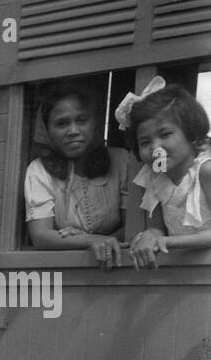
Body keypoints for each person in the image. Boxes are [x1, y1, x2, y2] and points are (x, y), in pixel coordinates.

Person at [23, 82, 129, 268]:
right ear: (47, 129)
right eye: (62, 123)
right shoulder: (39, 170)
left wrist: (104, 243)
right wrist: (90, 241)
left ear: (95, 123)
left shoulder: (120, 160)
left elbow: (132, 226)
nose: (73, 131)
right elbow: (41, 236)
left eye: (82, 120)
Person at [118, 79, 211, 267]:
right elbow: (157, 228)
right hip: (183, 275)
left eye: (165, 134)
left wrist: (169, 242)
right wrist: (150, 236)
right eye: (145, 142)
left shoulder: (205, 171)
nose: (155, 147)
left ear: (190, 133)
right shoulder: (156, 179)